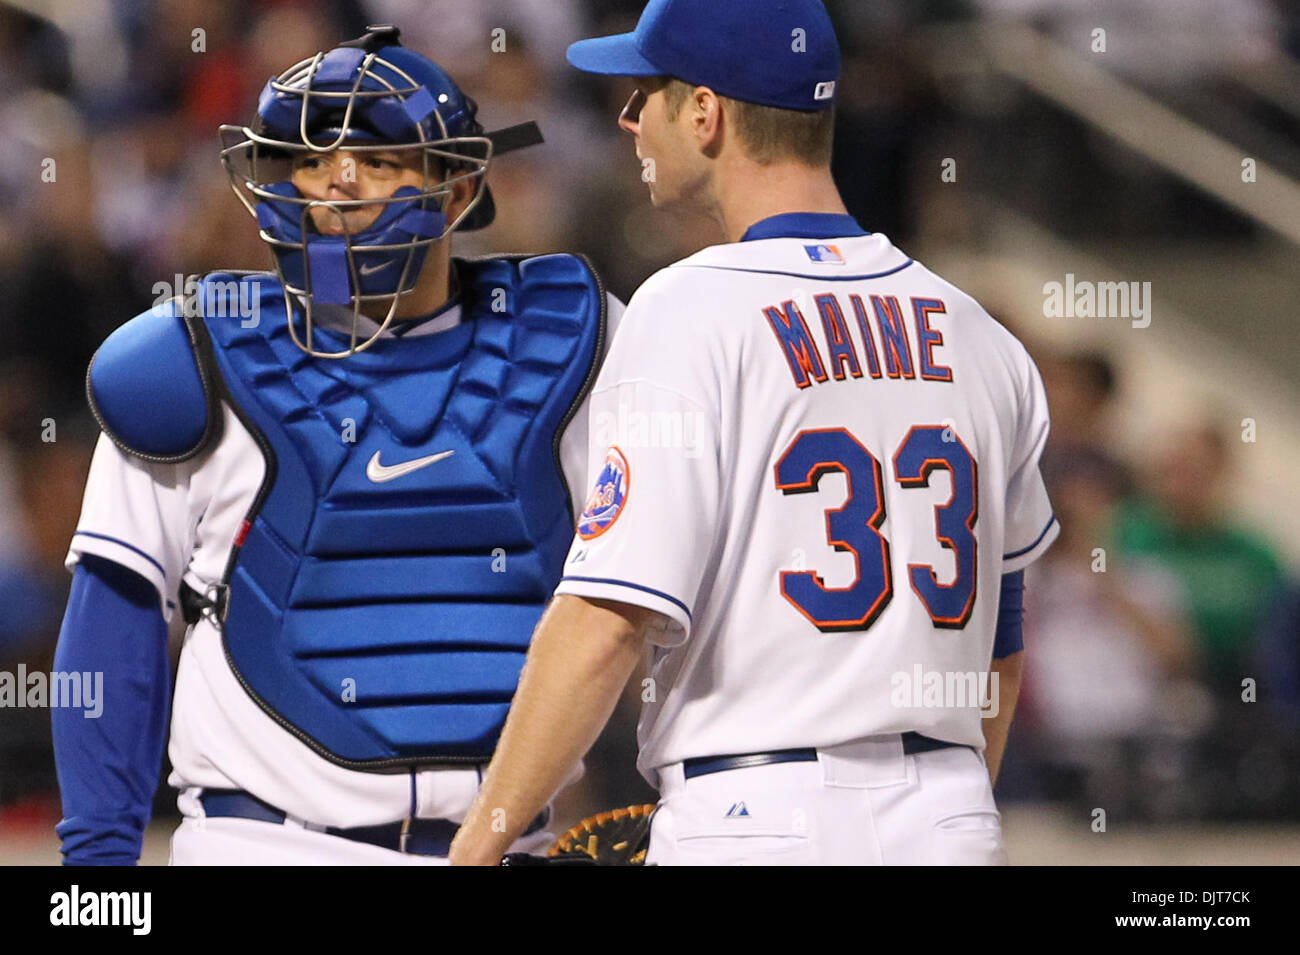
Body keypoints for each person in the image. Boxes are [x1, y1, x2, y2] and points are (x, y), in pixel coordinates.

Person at [450, 0, 1058, 866]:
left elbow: (606, 619)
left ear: (706, 112)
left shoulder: (689, 307)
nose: (626, 116)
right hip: (952, 811)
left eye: (645, 90)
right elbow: (1001, 641)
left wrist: (479, 841)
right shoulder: (978, 333)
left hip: (758, 808)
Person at [51, 25, 622, 865]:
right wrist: (98, 865)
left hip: (503, 844)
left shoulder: (576, 341)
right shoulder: (194, 358)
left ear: (457, 192)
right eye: (310, 162)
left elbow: (643, 593)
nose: (338, 185)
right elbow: (116, 622)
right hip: (270, 843)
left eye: (380, 161)